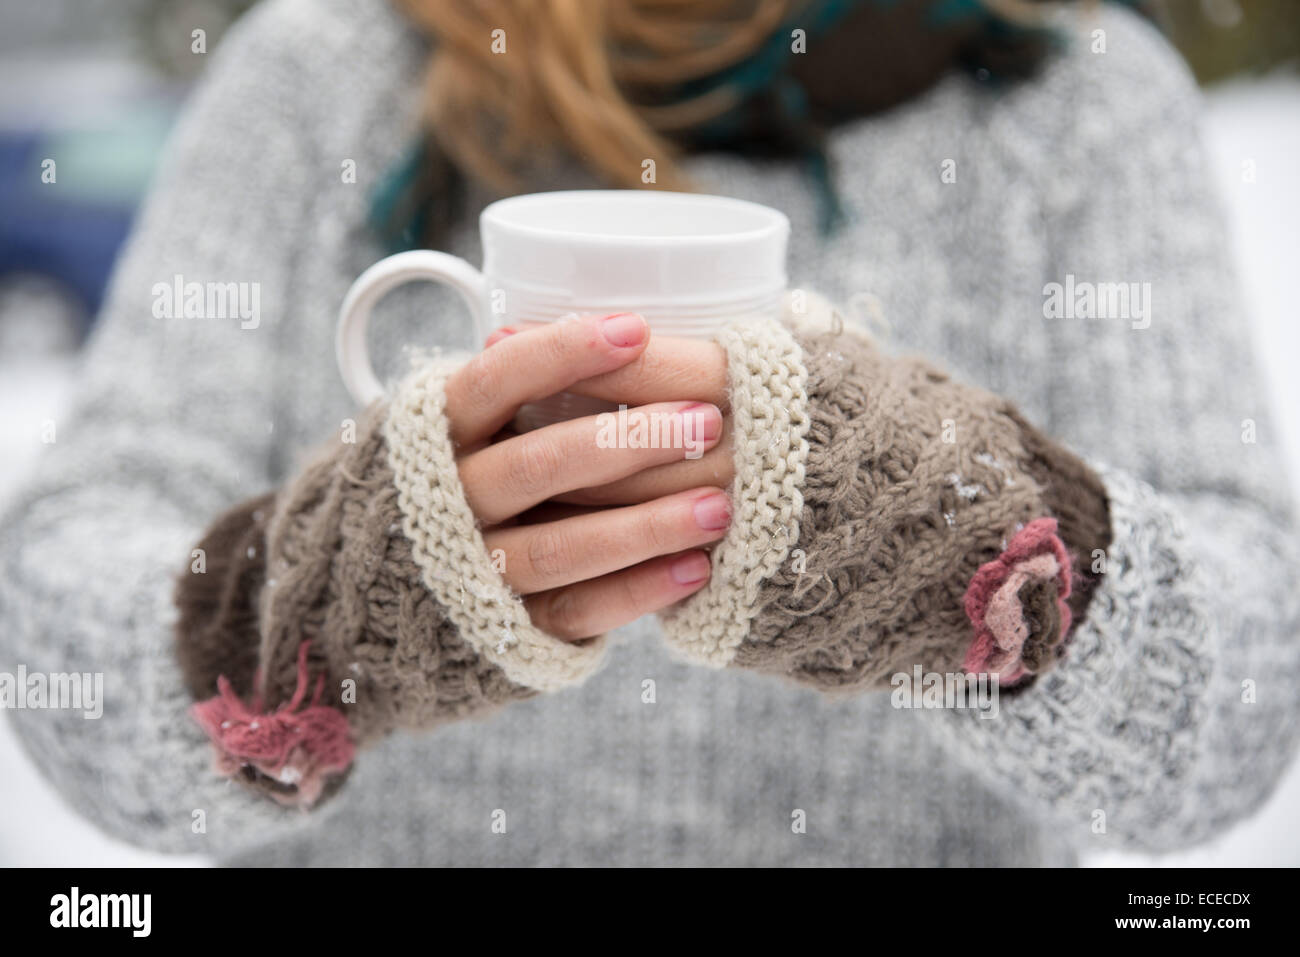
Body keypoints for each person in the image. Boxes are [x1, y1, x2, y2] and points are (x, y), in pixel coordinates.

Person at [2, 0, 1296, 866]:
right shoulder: (323, 71)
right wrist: (304, 615)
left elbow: (1243, 700)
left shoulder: (1070, 99)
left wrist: (974, 542)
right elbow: (62, 592)